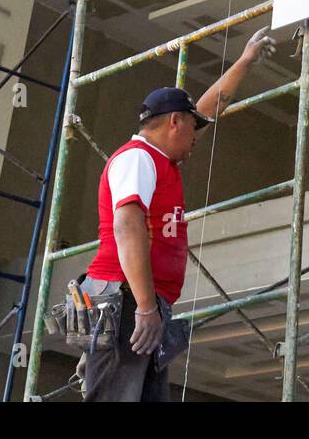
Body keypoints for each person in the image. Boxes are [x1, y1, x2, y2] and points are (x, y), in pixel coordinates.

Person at [79, 27, 276, 401]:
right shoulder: (138, 159)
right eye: (191, 127)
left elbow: (208, 107)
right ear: (174, 122)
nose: (197, 137)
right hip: (128, 299)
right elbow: (127, 227)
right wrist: (146, 307)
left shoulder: (158, 158)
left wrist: (245, 61)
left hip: (139, 301)